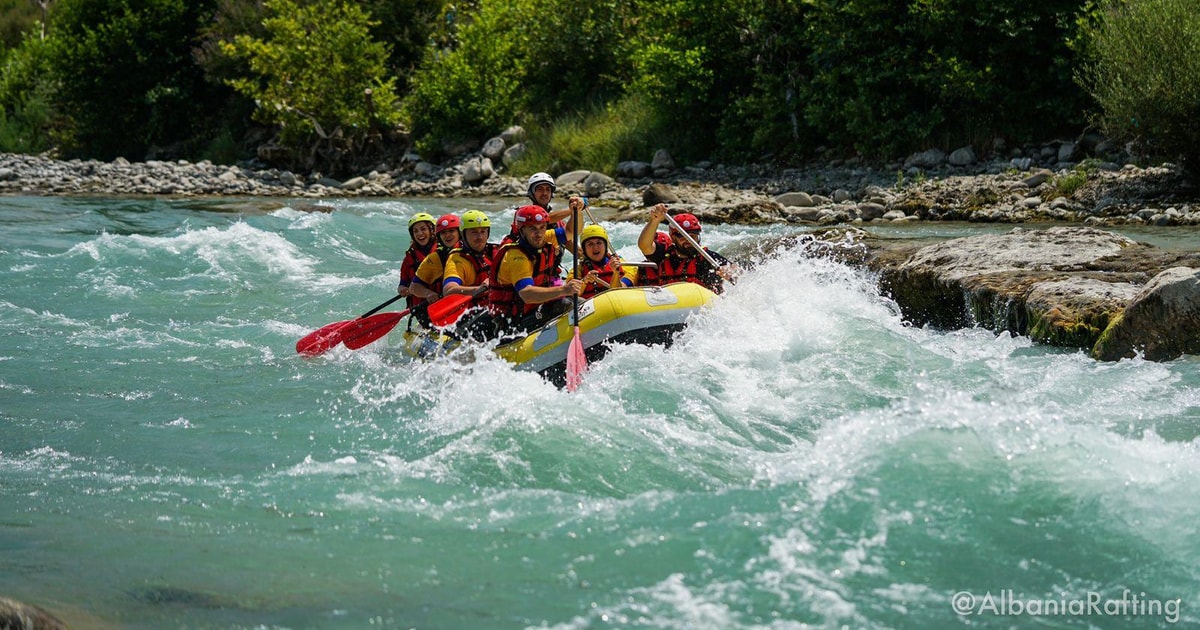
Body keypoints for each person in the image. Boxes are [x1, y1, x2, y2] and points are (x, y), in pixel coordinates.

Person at [459, 204, 583, 341]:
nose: (539, 233)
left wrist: (576, 212)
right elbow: (527, 294)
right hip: (511, 322)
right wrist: (564, 289)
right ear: (522, 230)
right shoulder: (516, 257)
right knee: (566, 303)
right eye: (533, 229)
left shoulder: (543, 238)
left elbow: (571, 231)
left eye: (542, 227)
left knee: (578, 302)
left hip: (532, 309)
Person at [637, 204, 736, 294]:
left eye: (692, 236)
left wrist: (729, 271)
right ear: (672, 237)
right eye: (682, 237)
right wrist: (655, 220)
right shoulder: (663, 254)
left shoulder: (706, 258)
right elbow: (644, 245)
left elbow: (736, 271)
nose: (688, 240)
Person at [408, 213, 462, 324]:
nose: (447, 235)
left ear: (460, 233)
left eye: (451, 231)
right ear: (439, 236)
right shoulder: (434, 258)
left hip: (465, 306)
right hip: (438, 310)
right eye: (443, 233)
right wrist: (428, 294)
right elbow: (413, 288)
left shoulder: (476, 253)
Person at [441, 210, 497, 304]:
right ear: (463, 235)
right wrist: (479, 289)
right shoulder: (457, 259)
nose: (479, 237)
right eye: (474, 232)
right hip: (473, 313)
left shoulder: (496, 251)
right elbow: (448, 290)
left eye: (483, 231)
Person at [567, 224, 633, 299]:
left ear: (605, 246)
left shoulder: (624, 265)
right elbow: (572, 293)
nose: (595, 247)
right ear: (584, 249)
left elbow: (622, 290)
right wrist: (585, 281)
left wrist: (615, 273)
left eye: (599, 243)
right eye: (590, 244)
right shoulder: (577, 270)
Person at [397, 212, 437, 310]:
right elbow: (402, 283)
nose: (419, 233)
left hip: (441, 301)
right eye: (415, 231)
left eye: (423, 229)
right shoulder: (410, 257)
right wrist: (402, 289)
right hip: (422, 307)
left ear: (432, 230)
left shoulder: (443, 250)